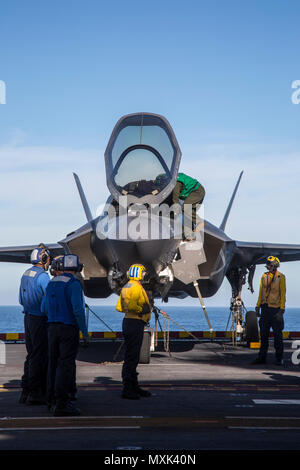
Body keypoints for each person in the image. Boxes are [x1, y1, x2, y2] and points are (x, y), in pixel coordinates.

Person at [42, 254, 89, 416]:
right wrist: (84, 332)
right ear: (76, 268)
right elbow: (78, 311)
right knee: (65, 365)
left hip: (52, 328)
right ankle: (62, 403)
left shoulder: (52, 283)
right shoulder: (74, 284)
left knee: (52, 364)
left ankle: (50, 400)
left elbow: (44, 309)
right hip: (68, 329)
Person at [19, 244, 51, 405]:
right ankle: (36, 393)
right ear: (43, 259)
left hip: (28, 317)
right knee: (40, 355)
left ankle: (25, 390)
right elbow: (50, 299)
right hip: (40, 319)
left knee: (31, 355)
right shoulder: (43, 276)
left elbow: (20, 299)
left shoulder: (26, 274)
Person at [116, 264, 152, 399]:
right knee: (131, 357)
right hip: (135, 323)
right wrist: (143, 310)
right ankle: (127, 389)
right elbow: (132, 306)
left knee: (132, 356)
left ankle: (134, 386)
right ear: (138, 273)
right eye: (143, 272)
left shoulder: (127, 286)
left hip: (128, 322)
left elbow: (119, 307)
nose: (144, 275)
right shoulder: (136, 287)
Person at [252, 256, 286, 365]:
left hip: (275, 310)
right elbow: (261, 292)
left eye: (270, 265)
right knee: (264, 335)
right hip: (265, 309)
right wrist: (258, 306)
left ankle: (279, 358)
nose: (268, 267)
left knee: (278, 336)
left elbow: (283, 294)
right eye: (267, 265)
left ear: (275, 265)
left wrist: (281, 310)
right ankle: (262, 358)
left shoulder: (281, 277)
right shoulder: (264, 276)